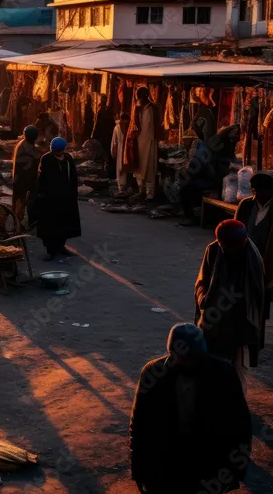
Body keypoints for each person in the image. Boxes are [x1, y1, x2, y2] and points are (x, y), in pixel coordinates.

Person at [129, 323, 251, 494]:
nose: (189, 363)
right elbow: (139, 424)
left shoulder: (223, 375)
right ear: (172, 354)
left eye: (193, 358)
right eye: (184, 358)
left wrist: (235, 471)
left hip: (206, 466)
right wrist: (138, 470)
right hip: (164, 468)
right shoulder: (152, 373)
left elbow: (240, 426)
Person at [194, 219, 267, 390]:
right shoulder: (213, 250)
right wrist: (204, 299)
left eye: (232, 245)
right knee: (210, 360)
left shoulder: (252, 257)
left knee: (236, 366)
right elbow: (202, 282)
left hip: (241, 319)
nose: (228, 249)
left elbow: (257, 294)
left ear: (243, 241)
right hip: (213, 318)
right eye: (224, 245)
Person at [235, 173, 273, 344]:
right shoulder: (246, 205)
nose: (257, 194)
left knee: (261, 302)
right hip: (246, 261)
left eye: (261, 191)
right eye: (254, 190)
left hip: (269, 264)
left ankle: (257, 340)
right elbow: (236, 230)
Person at [35, 137, 80, 261]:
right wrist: (41, 194)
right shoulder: (46, 159)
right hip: (50, 199)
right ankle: (51, 250)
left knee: (64, 223)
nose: (58, 153)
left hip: (66, 198)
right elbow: (41, 179)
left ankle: (61, 246)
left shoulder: (68, 159)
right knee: (50, 225)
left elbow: (73, 177)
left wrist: (73, 193)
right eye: (56, 151)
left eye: (60, 151)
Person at [125, 86, 161, 200]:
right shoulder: (137, 108)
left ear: (145, 96)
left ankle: (150, 194)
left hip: (151, 141)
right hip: (140, 141)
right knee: (139, 166)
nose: (139, 99)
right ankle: (141, 191)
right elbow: (135, 125)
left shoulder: (154, 107)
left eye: (140, 97)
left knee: (150, 167)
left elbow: (157, 124)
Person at [11, 125, 42, 224]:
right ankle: (19, 223)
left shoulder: (26, 143)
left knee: (26, 198)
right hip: (22, 178)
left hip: (26, 177)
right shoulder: (25, 147)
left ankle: (25, 221)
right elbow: (37, 156)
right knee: (22, 200)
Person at [111, 112, 133, 195]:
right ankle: (126, 187)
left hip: (122, 151)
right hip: (127, 151)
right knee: (126, 169)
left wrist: (113, 152)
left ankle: (121, 188)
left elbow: (114, 142)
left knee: (121, 169)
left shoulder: (117, 127)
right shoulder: (130, 127)